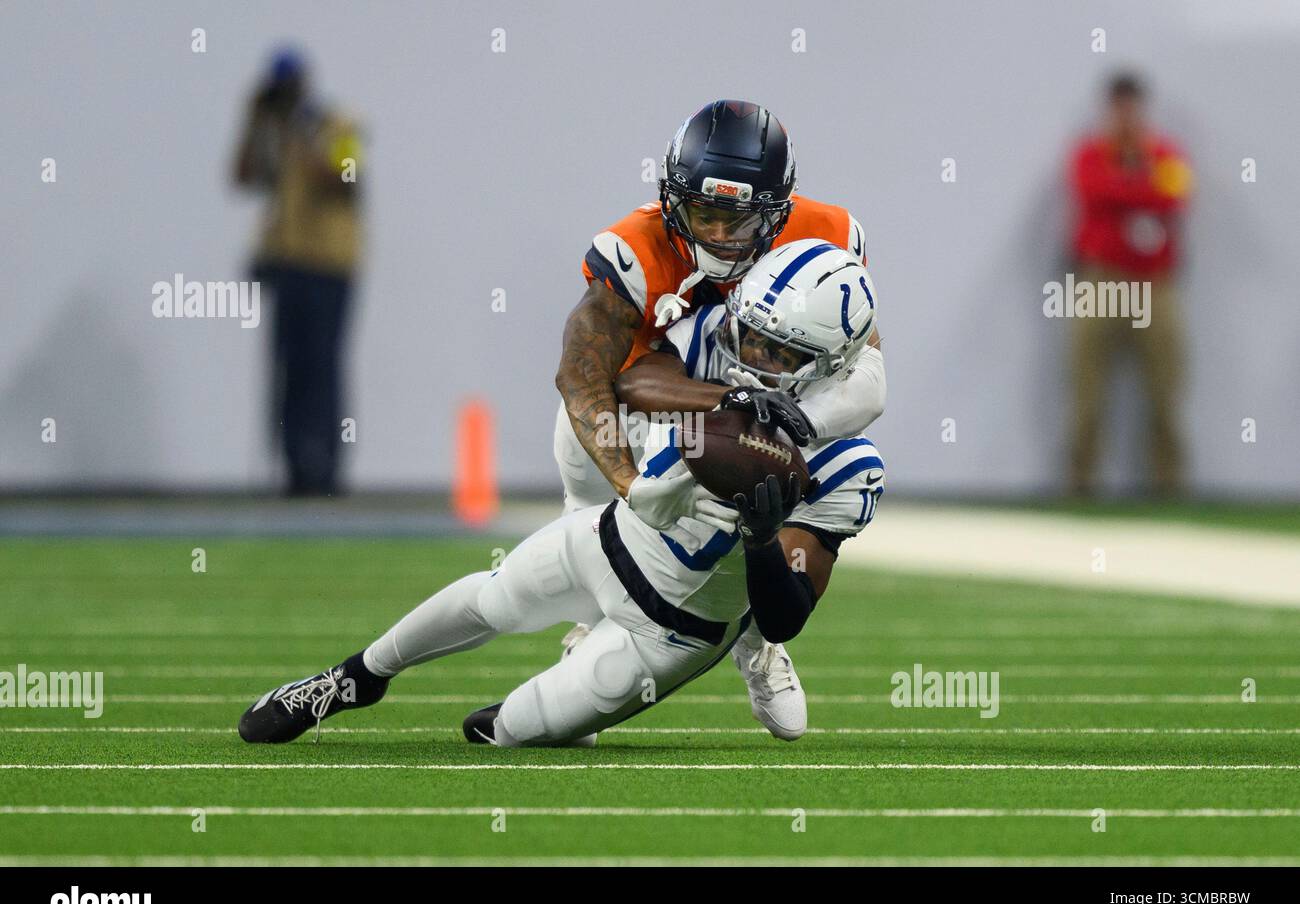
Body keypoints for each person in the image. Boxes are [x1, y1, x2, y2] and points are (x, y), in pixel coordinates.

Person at [237, 240, 884, 748]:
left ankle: (542, 709)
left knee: (516, 731)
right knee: (493, 598)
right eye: (750, 336)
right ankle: (350, 680)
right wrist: (715, 419)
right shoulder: (710, 343)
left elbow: (785, 615)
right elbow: (638, 432)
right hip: (607, 541)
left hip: (673, 630)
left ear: (830, 362)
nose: (751, 355)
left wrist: (763, 539)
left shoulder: (848, 466)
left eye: (777, 352)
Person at [551, 100, 888, 737]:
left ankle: (757, 637)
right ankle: (593, 620)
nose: (717, 235)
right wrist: (631, 489)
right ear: (672, 198)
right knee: (579, 427)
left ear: (779, 213)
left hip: (780, 401)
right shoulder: (636, 248)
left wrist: (792, 423)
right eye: (702, 213)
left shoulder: (829, 234)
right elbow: (583, 372)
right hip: (667, 406)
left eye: (737, 219)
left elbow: (867, 370)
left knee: (825, 465)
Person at [232, 47, 363, 496]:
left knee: (322, 366)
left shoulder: (337, 125)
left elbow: (347, 178)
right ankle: (293, 469)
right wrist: (255, 122)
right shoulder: (276, 134)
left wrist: (304, 135)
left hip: (329, 267)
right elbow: (244, 176)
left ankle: (323, 469)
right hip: (287, 267)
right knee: (288, 370)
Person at [1067, 73, 1191, 497]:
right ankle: (1080, 486)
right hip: (1101, 279)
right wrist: (1141, 187)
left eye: (1131, 107)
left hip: (1155, 284)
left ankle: (1169, 487)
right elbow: (1092, 192)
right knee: (1087, 391)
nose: (1125, 116)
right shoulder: (1090, 154)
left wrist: (1128, 188)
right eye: (1118, 107)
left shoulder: (1165, 153)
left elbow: (1175, 196)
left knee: (1166, 391)